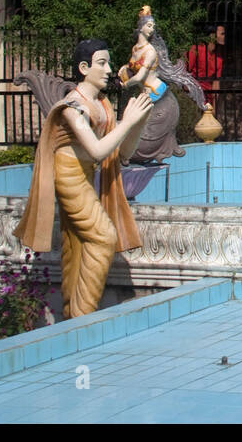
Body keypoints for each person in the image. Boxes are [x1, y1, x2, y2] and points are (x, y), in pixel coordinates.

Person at [13, 40, 153, 318]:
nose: (109, 70)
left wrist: (138, 121)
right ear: (84, 68)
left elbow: (123, 153)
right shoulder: (71, 107)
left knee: (76, 245)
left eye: (108, 63)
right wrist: (127, 122)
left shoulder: (101, 105)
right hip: (68, 176)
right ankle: (84, 317)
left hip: (85, 176)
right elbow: (98, 150)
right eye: (102, 63)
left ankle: (72, 315)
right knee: (103, 237)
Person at [186, 24, 224, 105]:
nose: (224, 36)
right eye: (222, 34)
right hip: (192, 94)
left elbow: (216, 83)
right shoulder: (196, 49)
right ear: (212, 35)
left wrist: (214, 107)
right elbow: (185, 73)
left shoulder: (219, 58)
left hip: (207, 98)